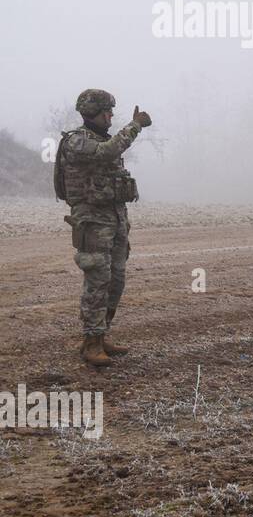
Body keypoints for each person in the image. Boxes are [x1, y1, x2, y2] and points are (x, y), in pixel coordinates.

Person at [56, 89, 151, 367]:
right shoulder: (76, 141)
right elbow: (108, 152)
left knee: (116, 279)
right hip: (92, 221)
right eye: (106, 111)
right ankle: (91, 342)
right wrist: (135, 126)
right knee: (97, 279)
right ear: (91, 113)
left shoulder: (101, 139)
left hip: (115, 218)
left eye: (111, 111)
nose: (110, 115)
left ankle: (101, 334)